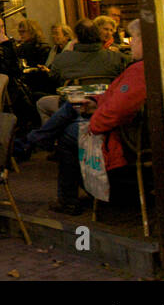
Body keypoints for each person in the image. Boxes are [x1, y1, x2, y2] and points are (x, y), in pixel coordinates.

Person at [50, 20, 147, 214]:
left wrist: (93, 124)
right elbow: (118, 97)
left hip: (128, 137)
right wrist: (97, 102)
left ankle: (69, 199)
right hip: (140, 132)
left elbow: (118, 108)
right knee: (69, 118)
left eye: (133, 38)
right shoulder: (119, 60)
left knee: (68, 133)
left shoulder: (139, 70)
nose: (130, 43)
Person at [36, 19, 128, 122]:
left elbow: (54, 78)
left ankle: (53, 136)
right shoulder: (115, 58)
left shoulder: (62, 59)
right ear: (97, 34)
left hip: (73, 109)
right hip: (106, 107)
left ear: (77, 37)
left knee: (41, 103)